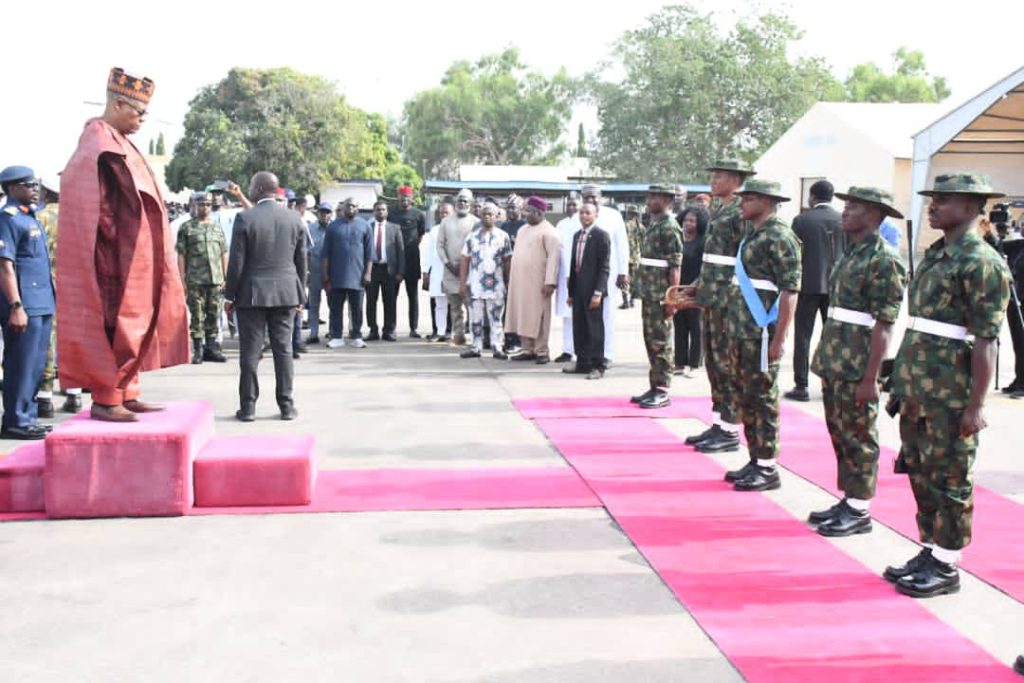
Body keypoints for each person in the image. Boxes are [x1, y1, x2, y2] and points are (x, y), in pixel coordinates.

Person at [883, 173, 1011, 599]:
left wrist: (976, 405)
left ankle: (947, 563)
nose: (933, 206)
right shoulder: (938, 254)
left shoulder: (983, 262)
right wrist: (901, 377)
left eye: (944, 200)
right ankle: (931, 548)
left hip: (951, 390)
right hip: (919, 384)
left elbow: (986, 339)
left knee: (951, 476)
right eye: (932, 199)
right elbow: (918, 326)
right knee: (921, 470)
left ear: (973, 208)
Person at [57, 68, 189, 422]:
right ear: (117, 103)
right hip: (112, 254)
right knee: (115, 325)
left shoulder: (117, 140)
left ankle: (127, 391)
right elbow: (101, 207)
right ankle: (105, 398)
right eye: (139, 112)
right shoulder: (99, 145)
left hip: (131, 251)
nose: (143, 119)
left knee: (135, 321)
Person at [808, 187, 906, 536]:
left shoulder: (884, 260)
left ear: (876, 215)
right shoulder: (850, 253)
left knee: (860, 435)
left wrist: (872, 376)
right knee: (840, 431)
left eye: (854, 206)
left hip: (858, 365)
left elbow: (884, 324)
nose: (845, 211)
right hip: (836, 358)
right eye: (845, 205)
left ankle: (860, 509)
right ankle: (850, 499)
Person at [224, 172, 306, 422]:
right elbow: (301, 260)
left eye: (250, 185)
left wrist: (229, 296)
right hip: (286, 293)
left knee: (250, 351)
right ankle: (287, 406)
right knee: (283, 351)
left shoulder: (245, 218)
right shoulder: (294, 218)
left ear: (259, 188)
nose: (248, 188)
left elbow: (236, 263)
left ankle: (248, 408)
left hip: (252, 295)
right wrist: (300, 294)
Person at [687, 160, 754, 451]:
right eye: (713, 176)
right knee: (714, 362)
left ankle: (730, 430)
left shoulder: (742, 211)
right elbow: (712, 256)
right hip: (712, 293)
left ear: (736, 179)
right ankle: (718, 422)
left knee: (727, 364)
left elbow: (744, 256)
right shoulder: (718, 208)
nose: (713, 181)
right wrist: (699, 283)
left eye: (720, 176)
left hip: (728, 295)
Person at [0, 167, 55, 439]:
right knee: (20, 363)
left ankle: (28, 417)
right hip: (24, 305)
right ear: (11, 188)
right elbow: (5, 266)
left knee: (35, 364)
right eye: (28, 184)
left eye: (36, 183)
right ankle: (15, 420)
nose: (34, 188)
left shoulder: (30, 217)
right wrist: (15, 306)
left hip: (42, 302)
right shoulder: (7, 219)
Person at [785, 179, 843, 402]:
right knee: (834, 337)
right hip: (835, 287)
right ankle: (833, 385)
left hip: (807, 285)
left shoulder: (801, 220)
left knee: (803, 336)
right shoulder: (842, 220)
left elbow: (793, 254)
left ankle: (802, 385)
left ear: (812, 196)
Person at [630, 185, 683, 408]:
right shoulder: (654, 224)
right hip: (650, 293)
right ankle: (654, 385)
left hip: (661, 294)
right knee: (651, 341)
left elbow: (675, 266)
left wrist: (672, 298)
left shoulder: (669, 227)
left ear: (668, 200)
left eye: (656, 197)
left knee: (661, 342)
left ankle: (662, 389)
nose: (650, 200)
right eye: (649, 196)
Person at [33, 178, 82, 416]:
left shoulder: (40, 217)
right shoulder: (79, 218)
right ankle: (74, 394)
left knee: (47, 341)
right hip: (76, 287)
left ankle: (45, 397)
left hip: (46, 286)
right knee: (72, 339)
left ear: (46, 192)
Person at [505, 196, 561, 364]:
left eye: (528, 211)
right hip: (521, 283)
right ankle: (527, 349)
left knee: (540, 317)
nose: (525, 214)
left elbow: (554, 259)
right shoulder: (523, 230)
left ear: (539, 212)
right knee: (523, 316)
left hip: (539, 284)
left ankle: (542, 351)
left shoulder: (550, 232)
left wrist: (550, 282)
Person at [175, 191, 228, 365]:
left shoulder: (217, 227)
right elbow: (181, 255)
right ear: (194, 206)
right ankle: (198, 350)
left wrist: (225, 277)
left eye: (207, 204)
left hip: (215, 279)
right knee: (197, 316)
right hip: (195, 280)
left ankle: (211, 349)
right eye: (201, 204)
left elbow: (223, 253)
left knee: (214, 314)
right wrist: (182, 281)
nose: (204, 207)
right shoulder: (187, 228)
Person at [581, 184, 629, 366]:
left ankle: (606, 354)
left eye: (594, 197)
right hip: (585, 276)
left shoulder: (613, 216)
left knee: (606, 315)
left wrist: (623, 272)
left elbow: (622, 245)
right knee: (586, 317)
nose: (591, 200)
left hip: (608, 274)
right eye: (587, 197)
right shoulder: (581, 215)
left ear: (600, 197)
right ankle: (587, 355)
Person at [459, 202, 512, 360]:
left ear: (496, 216)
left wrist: (508, 281)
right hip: (475, 285)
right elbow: (464, 260)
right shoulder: (472, 237)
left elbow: (508, 260)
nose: (487, 216)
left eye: (491, 214)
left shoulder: (503, 236)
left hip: (496, 285)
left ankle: (497, 347)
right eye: (484, 214)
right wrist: (462, 283)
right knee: (475, 318)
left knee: (496, 318)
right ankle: (475, 347)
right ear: (480, 216)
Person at [563, 202, 610, 379]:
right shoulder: (577, 236)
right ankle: (582, 362)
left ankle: (598, 366)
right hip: (578, 290)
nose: (584, 216)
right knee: (579, 327)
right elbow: (575, 266)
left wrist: (598, 292)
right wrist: (571, 292)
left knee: (594, 329)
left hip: (593, 291)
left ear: (595, 215)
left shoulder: (601, 236)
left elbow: (604, 267)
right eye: (581, 213)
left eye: (588, 213)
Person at [322, 199, 372, 349]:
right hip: (336, 275)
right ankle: (336, 336)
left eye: (354, 206)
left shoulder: (365, 226)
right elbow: (326, 253)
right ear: (343, 208)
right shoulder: (333, 227)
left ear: (358, 208)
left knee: (357, 308)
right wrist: (325, 274)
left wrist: (368, 273)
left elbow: (369, 254)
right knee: (336, 308)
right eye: (348, 205)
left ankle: (356, 336)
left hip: (358, 275)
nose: (351, 208)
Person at [437, 189, 477, 345]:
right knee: (455, 308)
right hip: (450, 271)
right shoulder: (446, 222)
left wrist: (467, 266)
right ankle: (459, 336)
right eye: (460, 200)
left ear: (471, 204)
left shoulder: (476, 222)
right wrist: (448, 263)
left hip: (470, 272)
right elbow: (440, 246)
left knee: (472, 308)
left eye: (466, 201)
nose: (462, 203)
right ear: (456, 202)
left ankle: (475, 338)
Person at [673, 206, 708, 377]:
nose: (688, 223)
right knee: (679, 326)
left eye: (692, 221)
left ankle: (694, 364)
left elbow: (705, 268)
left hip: (696, 289)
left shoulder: (703, 242)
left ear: (699, 223)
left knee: (696, 327)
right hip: (677, 289)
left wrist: (692, 287)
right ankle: (680, 362)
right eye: (686, 220)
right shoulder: (678, 239)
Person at [365, 200, 405, 342]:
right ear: (373, 211)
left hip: (389, 270)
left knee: (390, 301)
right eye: (378, 209)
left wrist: (400, 271)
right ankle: (373, 330)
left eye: (383, 209)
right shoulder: (367, 227)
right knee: (371, 301)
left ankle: (389, 330)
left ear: (387, 212)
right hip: (372, 269)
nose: (380, 212)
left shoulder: (395, 228)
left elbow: (400, 251)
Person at [391, 185, 426, 338]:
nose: (404, 199)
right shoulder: (391, 213)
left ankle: (414, 328)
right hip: (395, 260)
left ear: (411, 198)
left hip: (412, 259)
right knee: (392, 296)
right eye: (402, 196)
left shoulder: (419, 214)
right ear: (398, 197)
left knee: (413, 296)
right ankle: (390, 328)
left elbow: (420, 235)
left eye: (407, 197)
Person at [554, 192, 580, 363]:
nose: (571, 207)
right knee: (567, 315)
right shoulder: (561, 224)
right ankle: (567, 350)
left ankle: (582, 350)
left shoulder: (585, 223)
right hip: (564, 274)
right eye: (568, 204)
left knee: (581, 315)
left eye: (574, 204)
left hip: (580, 275)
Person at [423, 199, 453, 342]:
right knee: (440, 304)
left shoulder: (458, 228)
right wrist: (425, 272)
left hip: (453, 271)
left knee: (454, 304)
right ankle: (440, 332)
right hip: (437, 271)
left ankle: (452, 333)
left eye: (446, 213)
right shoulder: (434, 230)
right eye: (441, 213)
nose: (444, 215)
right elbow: (428, 252)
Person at [305, 202, 333, 344]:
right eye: (322, 212)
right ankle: (313, 333)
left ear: (331, 214)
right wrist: (306, 272)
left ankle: (333, 331)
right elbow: (305, 252)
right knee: (314, 304)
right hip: (314, 271)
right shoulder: (309, 229)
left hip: (330, 273)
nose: (324, 215)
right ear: (317, 213)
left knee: (332, 304)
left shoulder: (335, 228)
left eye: (327, 212)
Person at [622, 204, 644, 309]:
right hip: (636, 256)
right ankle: (632, 300)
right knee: (635, 279)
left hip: (625, 256)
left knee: (624, 278)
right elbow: (644, 241)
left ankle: (625, 300)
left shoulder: (623, 225)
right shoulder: (640, 226)